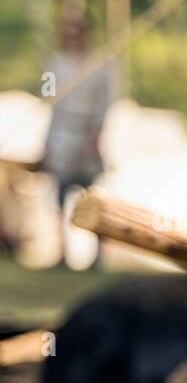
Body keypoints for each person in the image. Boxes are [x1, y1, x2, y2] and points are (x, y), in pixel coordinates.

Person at [41, 16, 113, 264]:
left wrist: (97, 132)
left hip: (87, 133)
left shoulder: (99, 65)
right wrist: (48, 140)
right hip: (63, 131)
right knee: (60, 197)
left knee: (93, 197)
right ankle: (61, 253)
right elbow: (48, 98)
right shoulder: (55, 64)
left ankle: (97, 256)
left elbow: (106, 102)